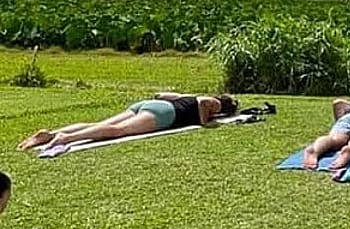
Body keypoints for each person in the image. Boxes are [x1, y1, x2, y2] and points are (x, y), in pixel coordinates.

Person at [17, 93, 239, 152]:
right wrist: (205, 123)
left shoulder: (187, 95)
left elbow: (162, 94)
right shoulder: (215, 102)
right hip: (164, 115)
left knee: (98, 124)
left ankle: (51, 133)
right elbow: (203, 104)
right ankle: (66, 137)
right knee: (117, 131)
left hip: (151, 104)